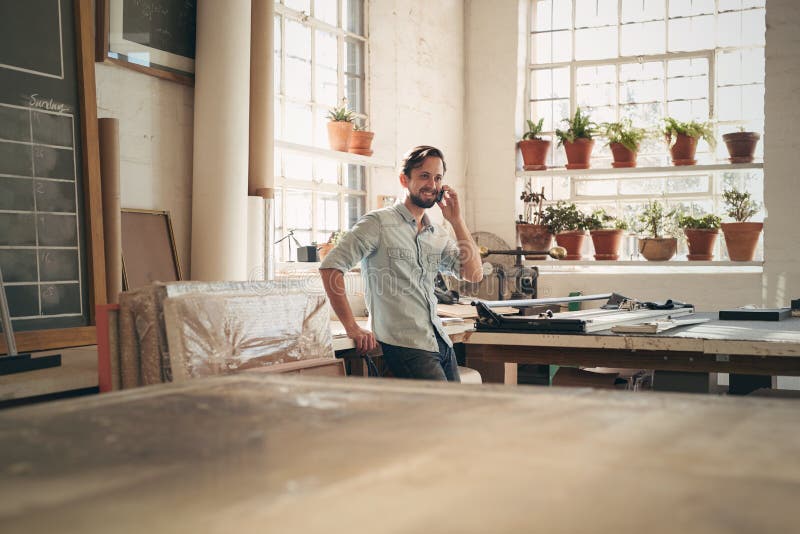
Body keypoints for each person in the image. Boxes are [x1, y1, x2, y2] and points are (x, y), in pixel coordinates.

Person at [319, 145, 483, 382]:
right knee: (443, 415)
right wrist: (351, 327)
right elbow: (330, 267)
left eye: (437, 178)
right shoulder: (378, 223)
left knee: (453, 415)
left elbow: (474, 274)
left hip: (439, 340)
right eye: (424, 176)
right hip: (406, 344)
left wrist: (457, 221)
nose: (432, 184)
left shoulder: (436, 233)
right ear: (404, 179)